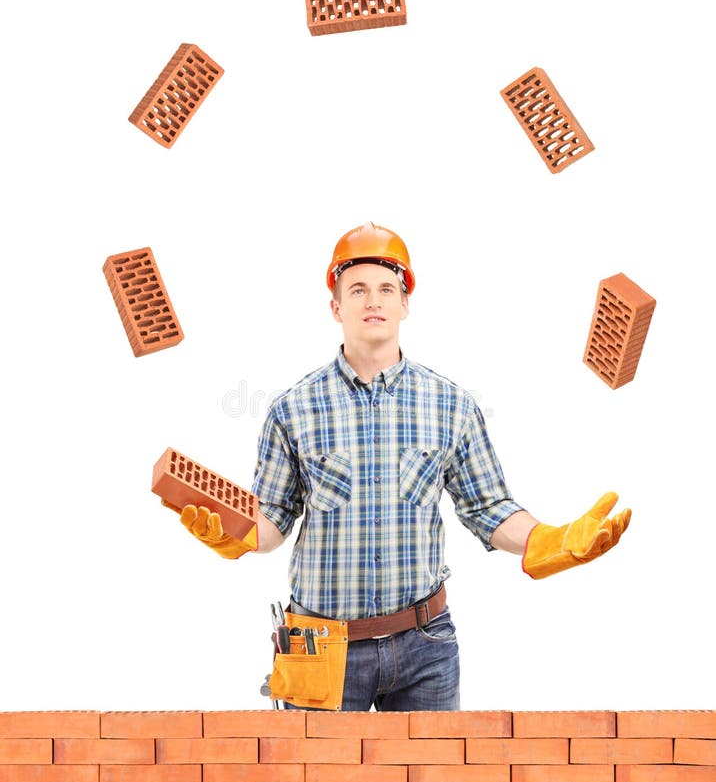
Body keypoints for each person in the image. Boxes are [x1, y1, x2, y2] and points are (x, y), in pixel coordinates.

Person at [175, 221, 630, 711]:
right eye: (358, 290)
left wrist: (550, 539)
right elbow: (273, 521)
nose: (374, 301)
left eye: (386, 289)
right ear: (336, 306)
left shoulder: (451, 406)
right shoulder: (293, 409)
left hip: (424, 648)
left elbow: (489, 508)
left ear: (404, 304)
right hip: (319, 648)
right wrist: (237, 533)